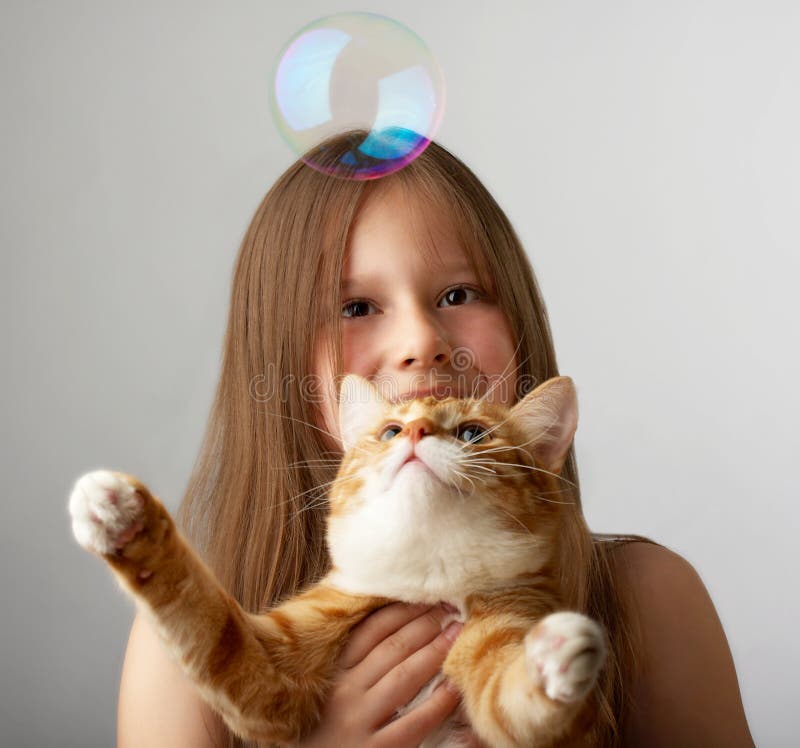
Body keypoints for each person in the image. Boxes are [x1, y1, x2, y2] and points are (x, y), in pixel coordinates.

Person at [117, 133, 754, 747]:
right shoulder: (181, 645)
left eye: (457, 294)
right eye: (356, 307)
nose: (423, 341)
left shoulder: (650, 599)